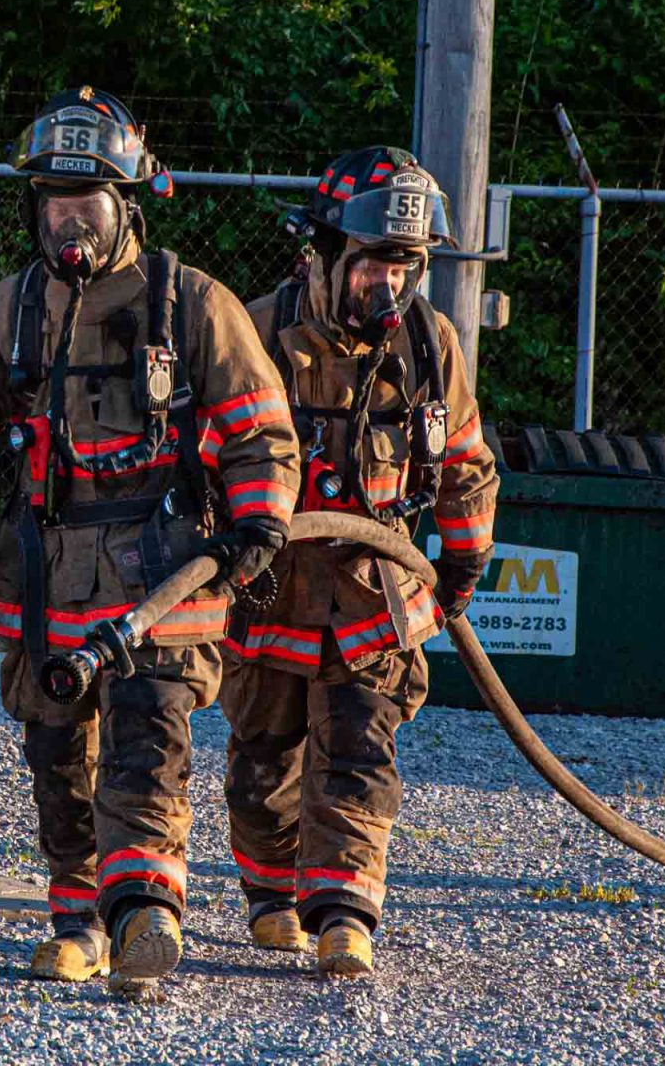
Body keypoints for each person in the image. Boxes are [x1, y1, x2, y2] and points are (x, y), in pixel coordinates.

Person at [0, 88, 300, 994]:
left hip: (165, 578)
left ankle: (145, 917)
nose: (67, 220)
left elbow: (260, 432)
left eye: (86, 202)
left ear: (126, 204)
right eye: (52, 201)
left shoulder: (191, 304)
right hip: (46, 582)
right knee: (59, 766)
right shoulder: (8, 314)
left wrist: (257, 520)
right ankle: (78, 918)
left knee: (148, 742)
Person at [220, 145, 499, 977]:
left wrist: (463, 560)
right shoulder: (257, 333)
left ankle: (344, 911)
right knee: (264, 763)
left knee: (357, 750)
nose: (390, 285)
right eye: (374, 265)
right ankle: (273, 900)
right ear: (325, 254)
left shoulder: (430, 343)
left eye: (406, 267)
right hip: (268, 595)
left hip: (375, 598)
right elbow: (211, 454)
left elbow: (466, 461)